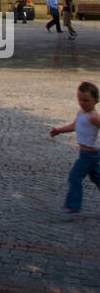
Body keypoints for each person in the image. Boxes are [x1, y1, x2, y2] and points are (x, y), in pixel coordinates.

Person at [50, 81, 100, 217]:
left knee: (74, 177)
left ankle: (72, 206)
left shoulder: (94, 117)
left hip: (90, 155)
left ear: (96, 100)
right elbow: (74, 125)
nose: (82, 103)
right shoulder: (81, 112)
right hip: (86, 153)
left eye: (86, 100)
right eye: (80, 99)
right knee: (97, 178)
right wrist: (59, 130)